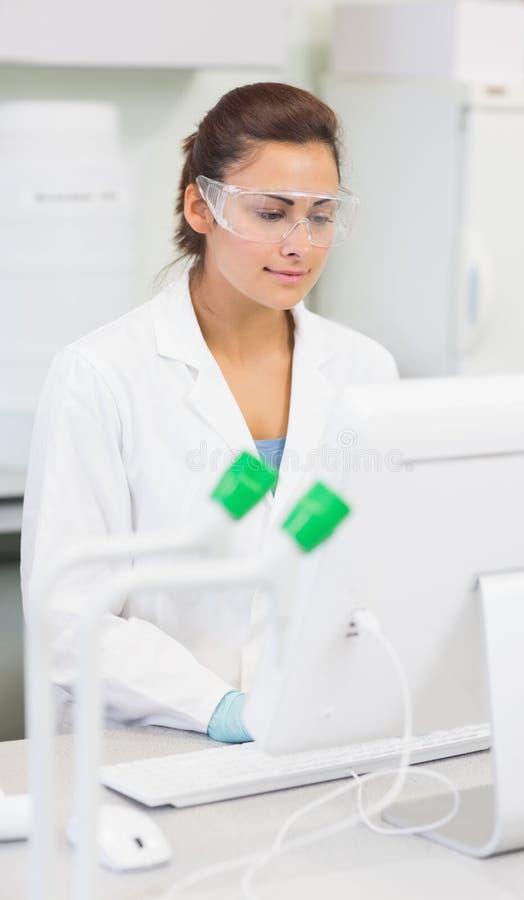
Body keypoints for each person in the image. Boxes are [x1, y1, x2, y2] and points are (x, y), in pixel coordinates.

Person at [20, 82, 398, 743]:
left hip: (311, 734)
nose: (300, 244)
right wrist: (223, 709)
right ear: (201, 206)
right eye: (272, 213)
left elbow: (371, 574)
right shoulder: (103, 376)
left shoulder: (365, 373)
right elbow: (67, 613)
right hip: (141, 748)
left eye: (320, 215)